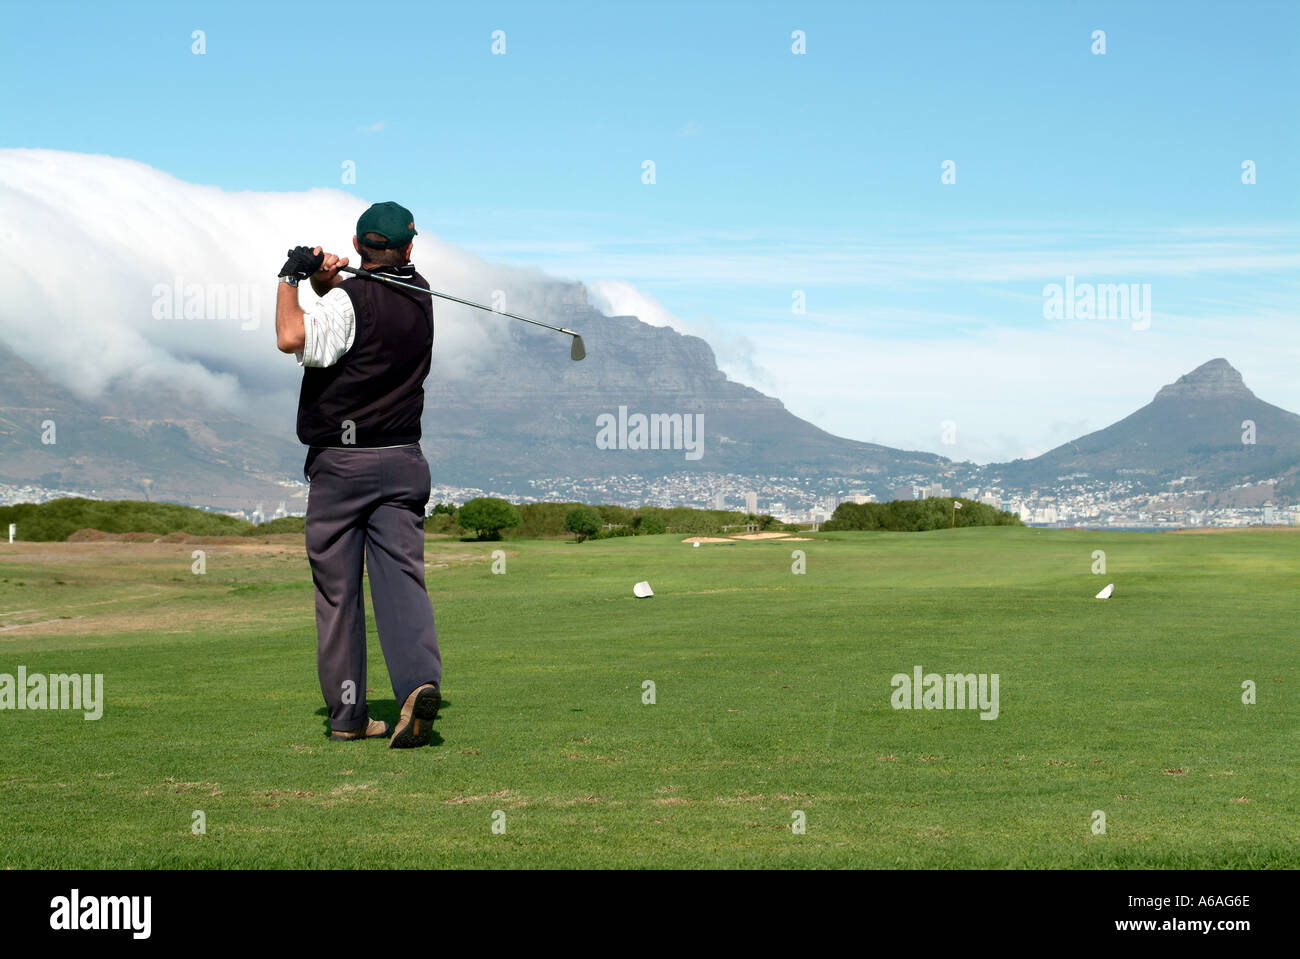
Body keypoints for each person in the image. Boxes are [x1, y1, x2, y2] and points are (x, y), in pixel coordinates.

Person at [273, 201, 442, 748]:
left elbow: (294, 338)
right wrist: (330, 285)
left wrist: (292, 277)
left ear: (358, 243)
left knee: (339, 593)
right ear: (409, 249)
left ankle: (348, 717)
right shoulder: (420, 296)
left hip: (342, 468)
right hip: (403, 460)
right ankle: (417, 685)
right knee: (402, 584)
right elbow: (356, 330)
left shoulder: (350, 299)